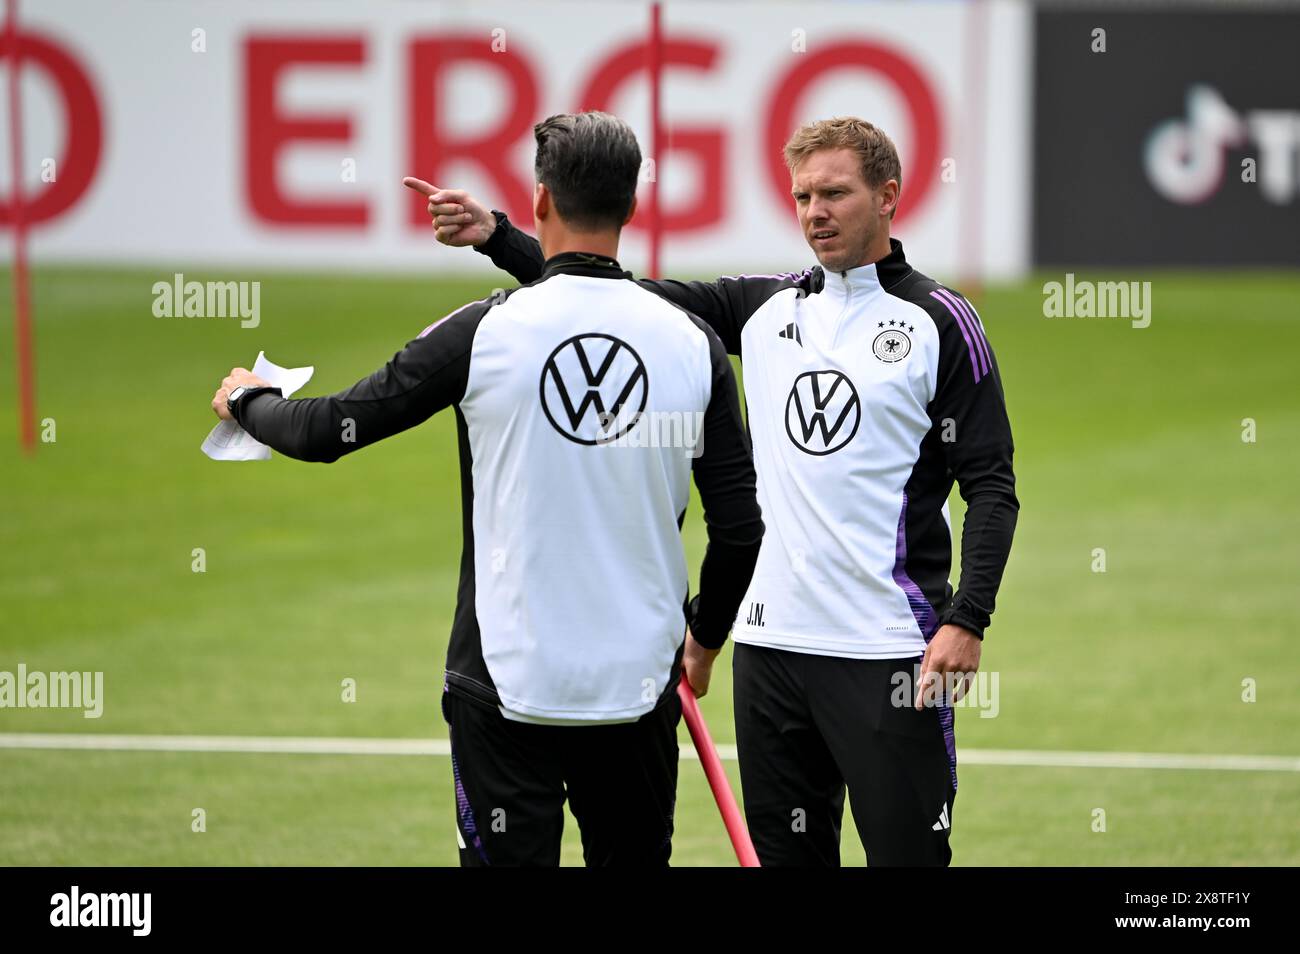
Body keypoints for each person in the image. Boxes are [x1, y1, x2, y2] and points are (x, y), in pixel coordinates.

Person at [416, 116, 1019, 866]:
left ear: (889, 196)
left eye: (835, 193)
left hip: (890, 654)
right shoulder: (765, 308)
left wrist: (968, 619)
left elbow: (992, 485)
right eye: (802, 196)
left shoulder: (939, 320)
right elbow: (618, 298)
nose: (814, 213)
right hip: (769, 655)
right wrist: (498, 237)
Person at [210, 111, 764, 866]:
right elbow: (740, 530)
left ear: (540, 200)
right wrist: (702, 639)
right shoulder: (692, 341)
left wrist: (250, 401)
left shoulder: (482, 332)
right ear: (633, 207)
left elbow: (327, 432)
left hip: (504, 687)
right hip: (637, 689)